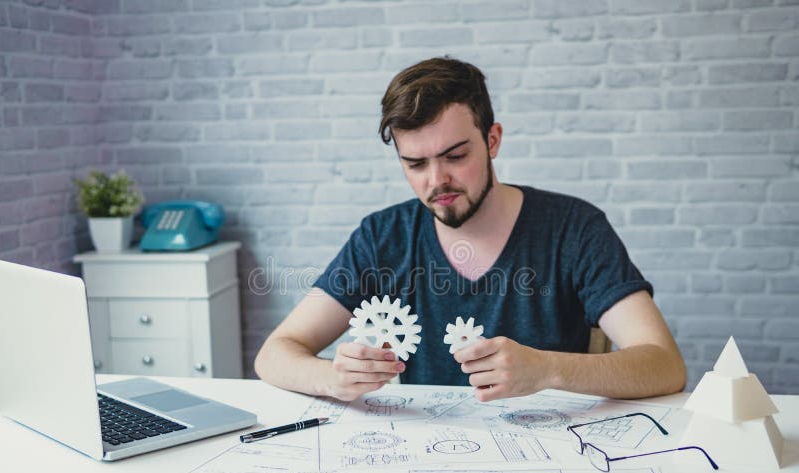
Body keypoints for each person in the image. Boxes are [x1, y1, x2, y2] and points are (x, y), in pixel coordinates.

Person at [254, 57, 686, 403]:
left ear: (492, 140)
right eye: (415, 164)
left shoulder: (575, 229)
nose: (436, 180)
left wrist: (548, 369)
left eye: (456, 156)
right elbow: (275, 354)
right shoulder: (382, 237)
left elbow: (664, 365)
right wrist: (334, 377)